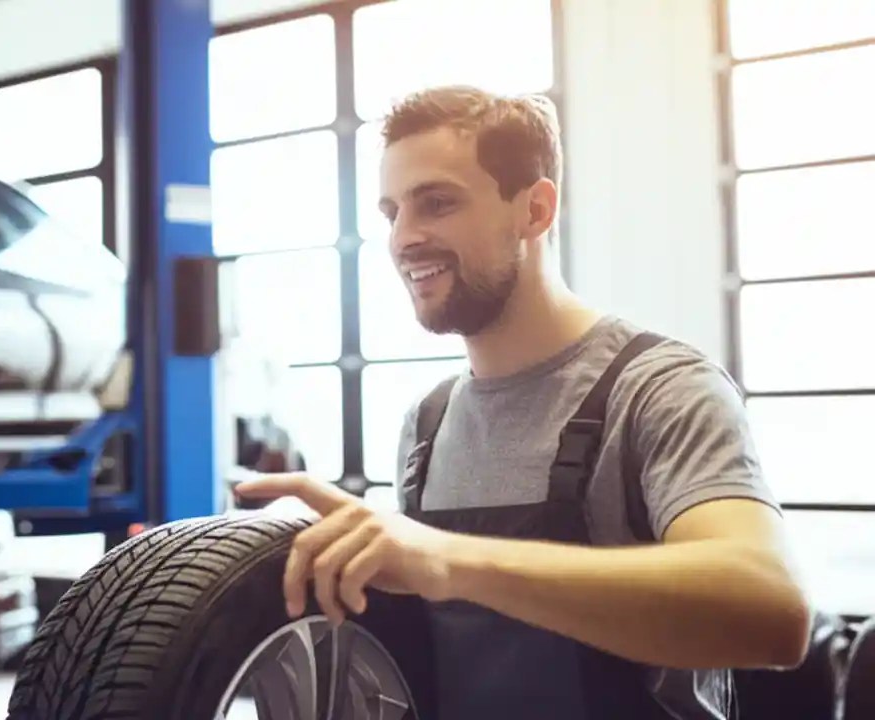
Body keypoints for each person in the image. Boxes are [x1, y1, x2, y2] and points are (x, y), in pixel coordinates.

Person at [235, 85, 812, 719]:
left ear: (534, 211)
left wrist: (445, 559)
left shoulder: (659, 391)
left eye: (437, 203)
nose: (404, 238)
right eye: (391, 212)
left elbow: (772, 611)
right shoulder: (427, 424)